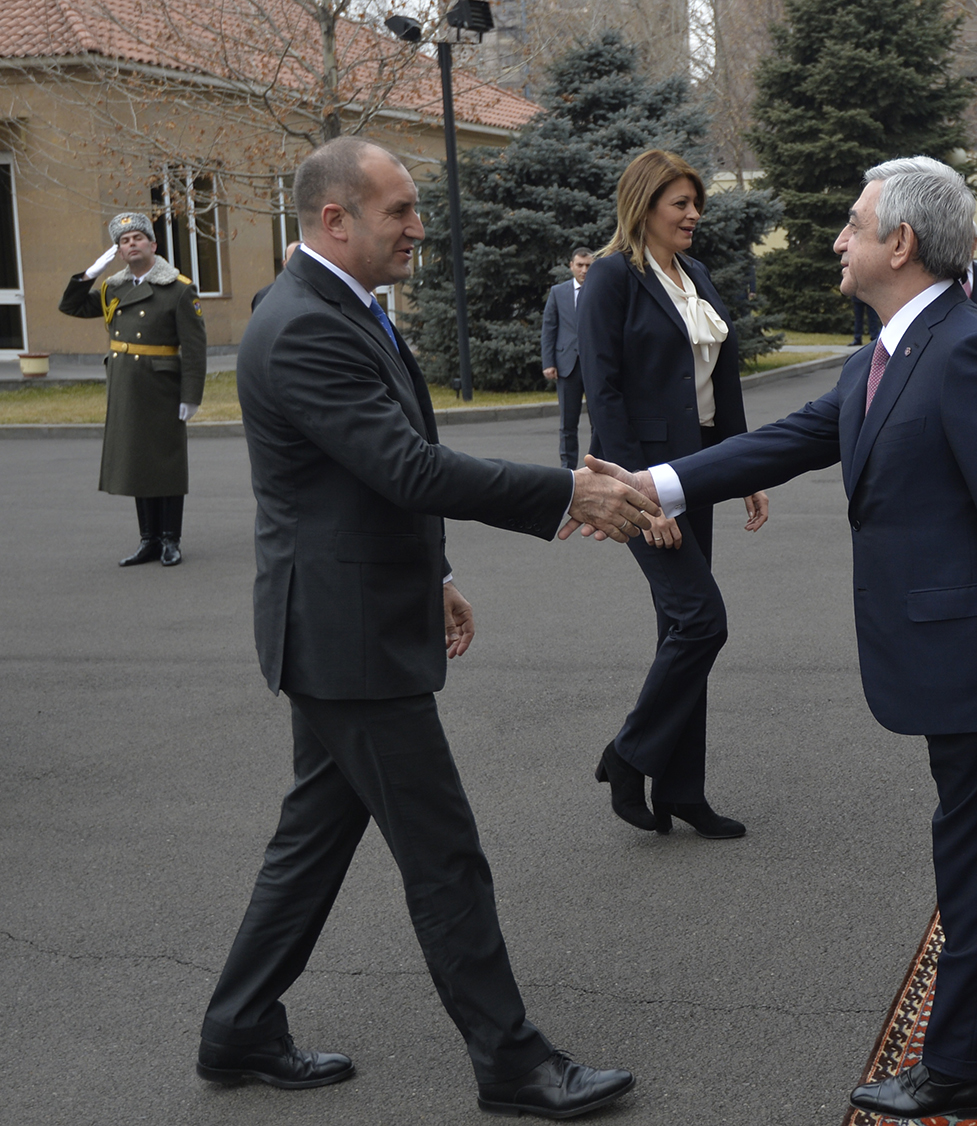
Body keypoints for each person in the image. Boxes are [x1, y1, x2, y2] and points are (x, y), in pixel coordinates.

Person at [585, 156, 977, 1121]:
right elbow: (786, 439)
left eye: (853, 225)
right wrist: (655, 484)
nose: (837, 240)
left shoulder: (968, 350)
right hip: (947, 651)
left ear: (899, 245)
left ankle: (958, 1070)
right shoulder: (885, 352)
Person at [196, 137, 655, 1120]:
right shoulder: (305, 327)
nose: (418, 227)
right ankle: (513, 1062)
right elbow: (405, 465)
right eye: (400, 210)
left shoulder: (338, 307)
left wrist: (434, 571)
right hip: (346, 641)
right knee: (444, 852)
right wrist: (564, 492)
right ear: (335, 220)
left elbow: (370, 476)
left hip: (346, 622)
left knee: (313, 839)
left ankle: (237, 1025)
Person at [578, 149, 768, 840]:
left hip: (701, 471)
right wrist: (640, 498)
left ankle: (683, 789)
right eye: (679, 204)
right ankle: (629, 756)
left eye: (696, 203)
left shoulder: (697, 275)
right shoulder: (611, 279)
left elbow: (725, 383)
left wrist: (745, 468)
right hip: (641, 479)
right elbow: (606, 394)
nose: (694, 214)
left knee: (677, 631)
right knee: (701, 622)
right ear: (644, 206)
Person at [59, 212, 207, 567]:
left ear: (153, 245)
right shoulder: (114, 287)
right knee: (138, 463)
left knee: (167, 465)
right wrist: (88, 276)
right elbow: (72, 306)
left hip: (162, 386)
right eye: (124, 242)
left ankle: (171, 539)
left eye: (138, 238)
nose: (131, 244)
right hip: (127, 388)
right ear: (120, 252)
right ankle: (148, 540)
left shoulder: (179, 288)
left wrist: (191, 396)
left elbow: (195, 347)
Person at [541, 247, 593, 468]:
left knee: (598, 421)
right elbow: (549, 328)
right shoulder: (558, 292)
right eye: (579, 265)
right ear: (571, 266)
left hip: (594, 365)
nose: (583, 270)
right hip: (566, 365)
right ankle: (568, 468)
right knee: (567, 423)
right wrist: (549, 362)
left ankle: (598, 463)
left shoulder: (600, 290)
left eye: (588, 265)